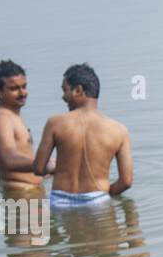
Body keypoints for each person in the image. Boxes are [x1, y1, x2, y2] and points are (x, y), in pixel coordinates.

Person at [33, 64, 133, 208]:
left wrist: (57, 166)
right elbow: (126, 181)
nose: (63, 97)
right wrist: (103, 195)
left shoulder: (55, 123)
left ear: (78, 90)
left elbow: (38, 168)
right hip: (97, 201)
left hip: (60, 201)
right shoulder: (119, 130)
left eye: (65, 90)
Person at [0, 60, 51, 190]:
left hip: (30, 192)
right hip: (20, 195)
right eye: (14, 88)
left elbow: (27, 160)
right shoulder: (2, 119)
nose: (22, 93)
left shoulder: (13, 116)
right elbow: (9, 160)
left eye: (24, 87)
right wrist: (45, 164)